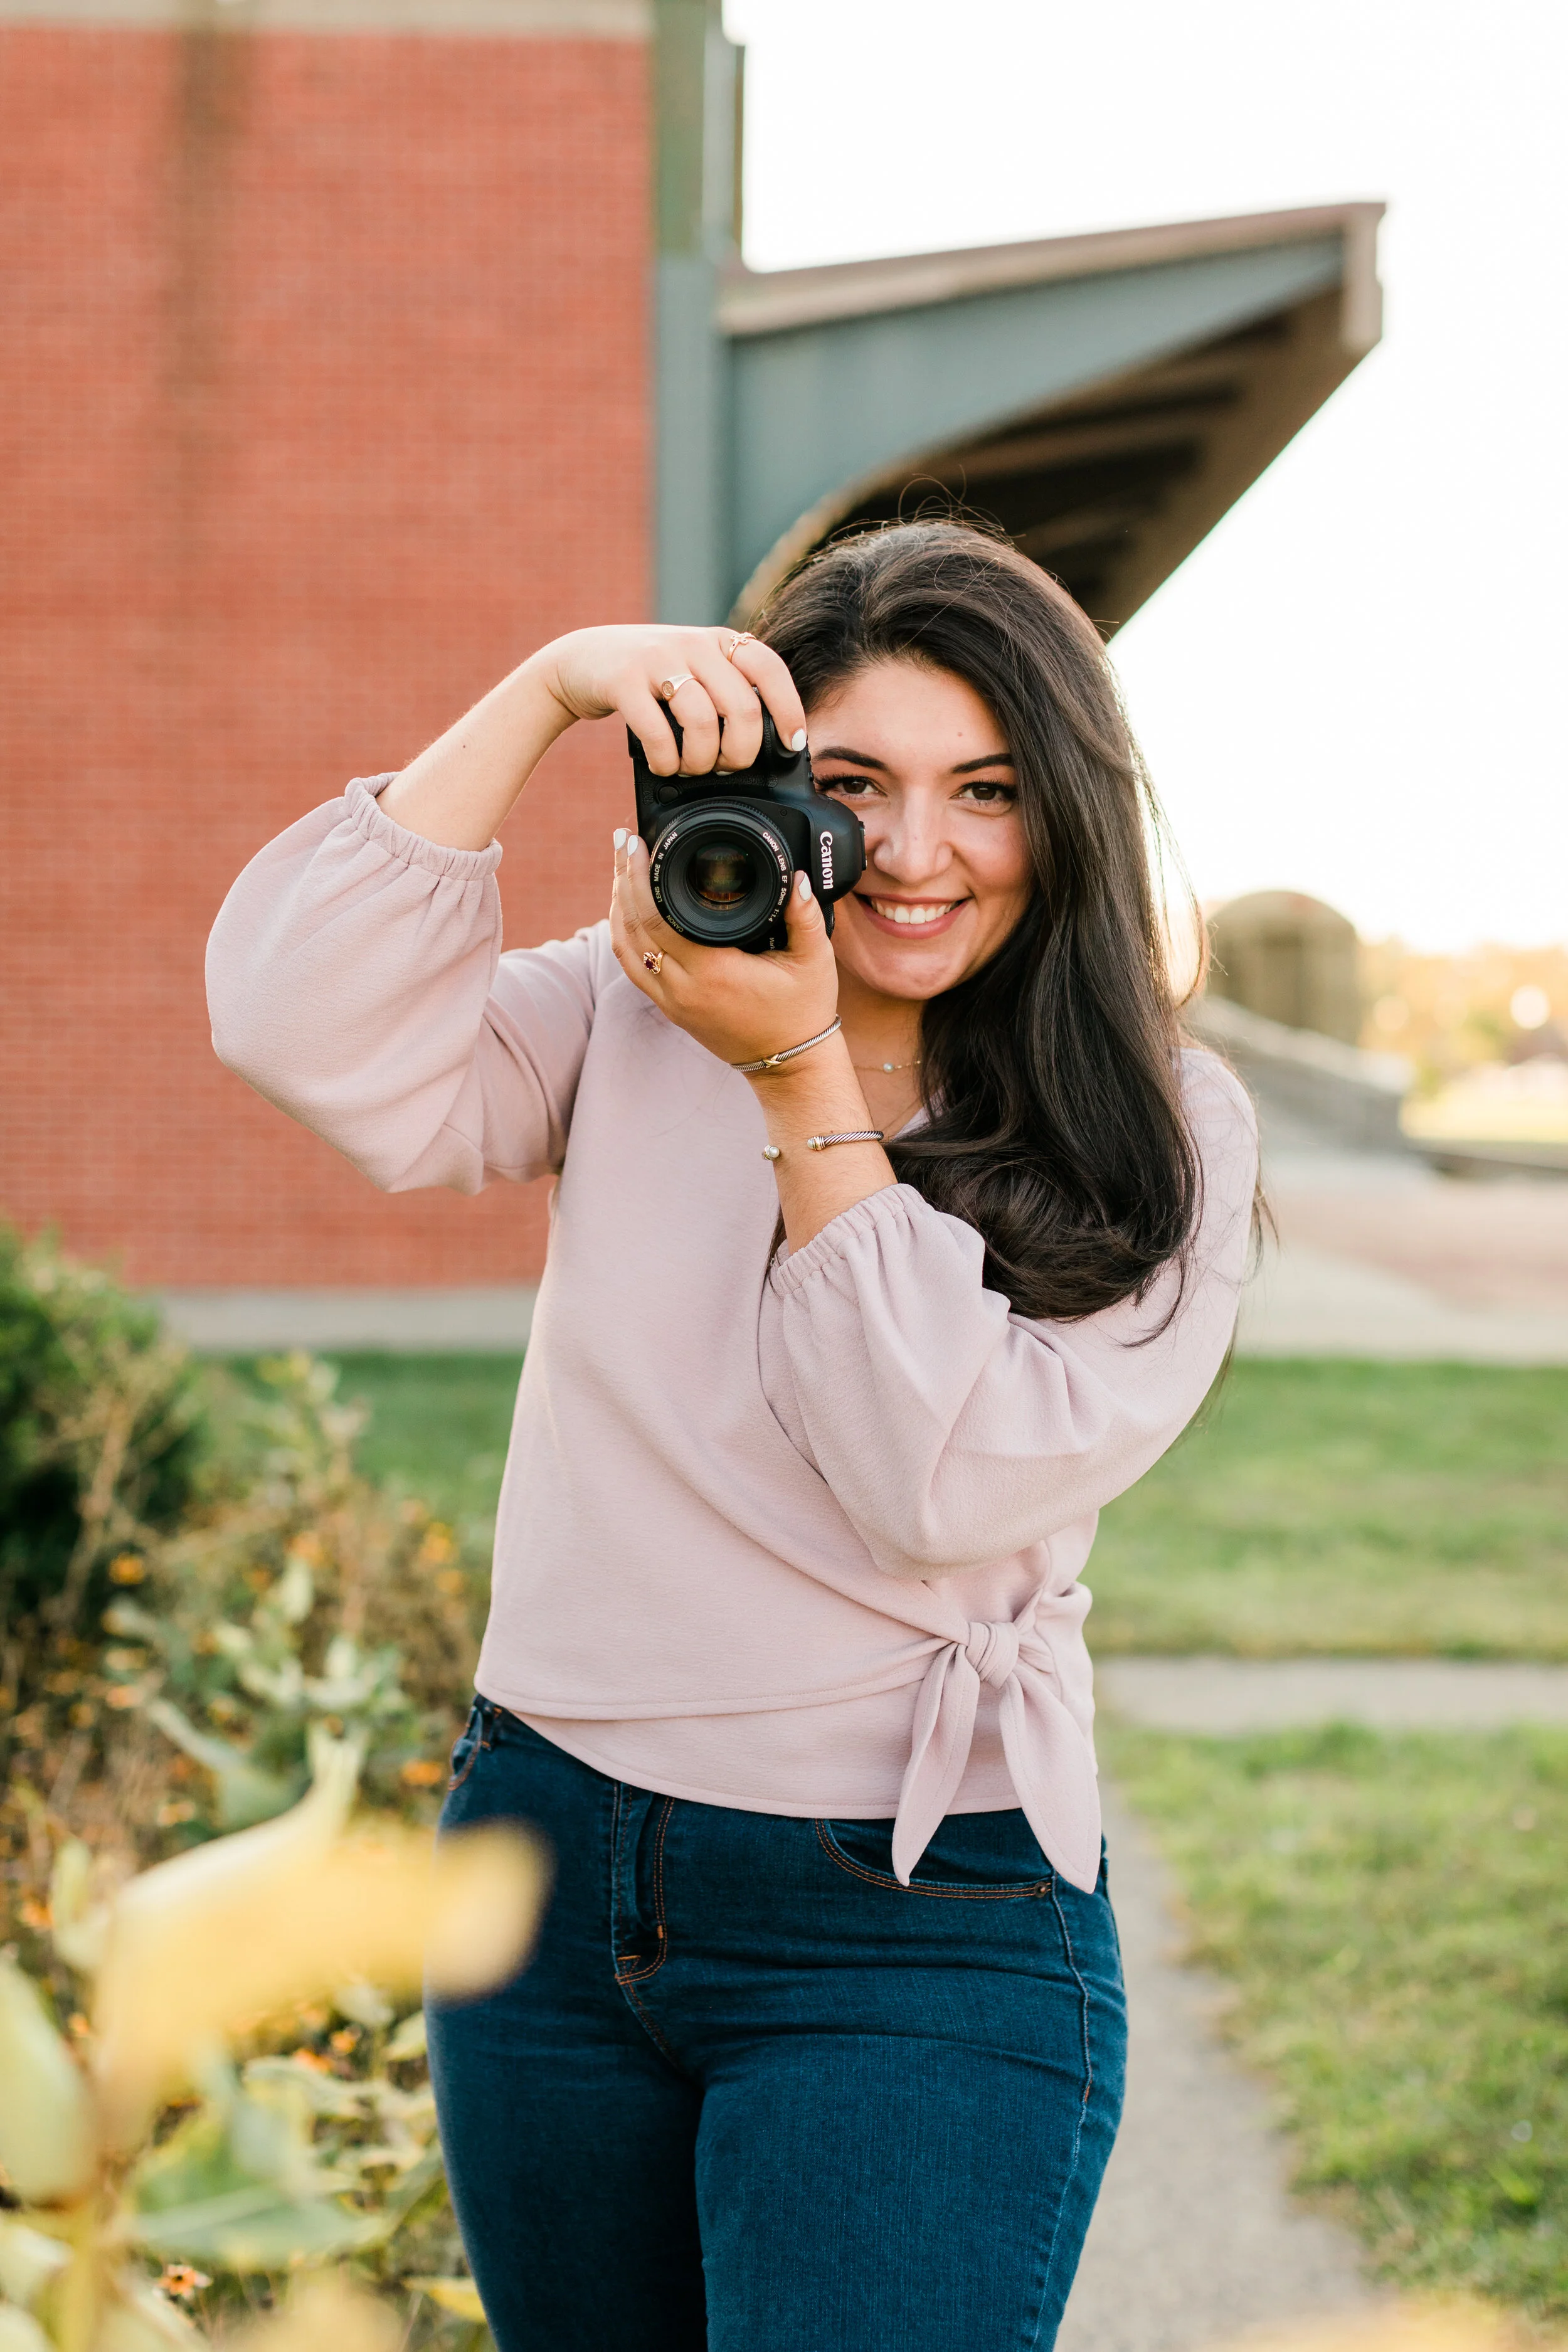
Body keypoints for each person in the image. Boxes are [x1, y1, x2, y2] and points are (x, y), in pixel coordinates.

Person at [207, 520, 1257, 2351]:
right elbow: (295, 1023)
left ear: (1069, 813)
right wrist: (542, 690)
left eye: (988, 790)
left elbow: (928, 1477)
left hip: (912, 1913)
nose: (917, 855)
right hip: (539, 1861)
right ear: (772, 790)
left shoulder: (1161, 1117)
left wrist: (795, 1074)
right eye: (854, 787)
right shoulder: (633, 1003)